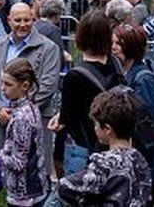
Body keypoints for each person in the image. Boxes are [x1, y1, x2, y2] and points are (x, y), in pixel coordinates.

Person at [49, 11, 125, 175]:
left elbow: (65, 120)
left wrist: (58, 121)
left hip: (82, 146)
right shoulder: (117, 64)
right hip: (112, 141)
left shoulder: (74, 76)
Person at [55, 89, 152, 207]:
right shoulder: (139, 159)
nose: (95, 128)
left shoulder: (105, 164)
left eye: (96, 124)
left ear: (107, 129)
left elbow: (65, 187)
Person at [112, 23, 154, 204]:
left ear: (131, 47)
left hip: (146, 160)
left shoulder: (144, 79)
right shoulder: (124, 72)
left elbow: (149, 122)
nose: (113, 48)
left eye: (118, 44)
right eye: (113, 43)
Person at [0, 58, 47, 206]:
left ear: (25, 86)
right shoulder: (30, 108)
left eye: (8, 84)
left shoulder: (21, 119)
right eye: (2, 82)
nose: (3, 88)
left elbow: (18, 163)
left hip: (24, 193)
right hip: (34, 185)